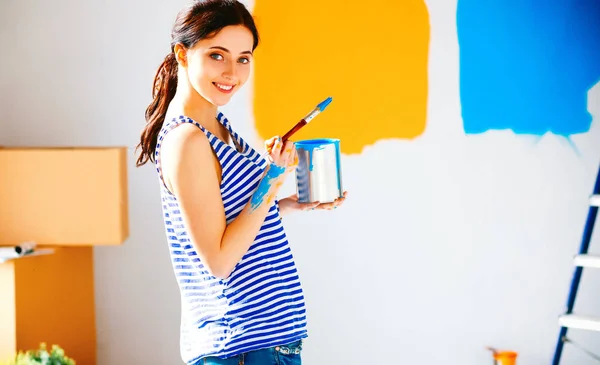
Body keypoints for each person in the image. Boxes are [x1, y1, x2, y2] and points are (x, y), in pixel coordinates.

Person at [135, 1, 347, 364]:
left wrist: (288, 204)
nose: (232, 72)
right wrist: (272, 178)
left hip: (262, 340)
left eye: (244, 58)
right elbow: (218, 261)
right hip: (241, 346)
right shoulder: (188, 140)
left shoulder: (217, 127)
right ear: (182, 55)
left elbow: (230, 220)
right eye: (217, 55)